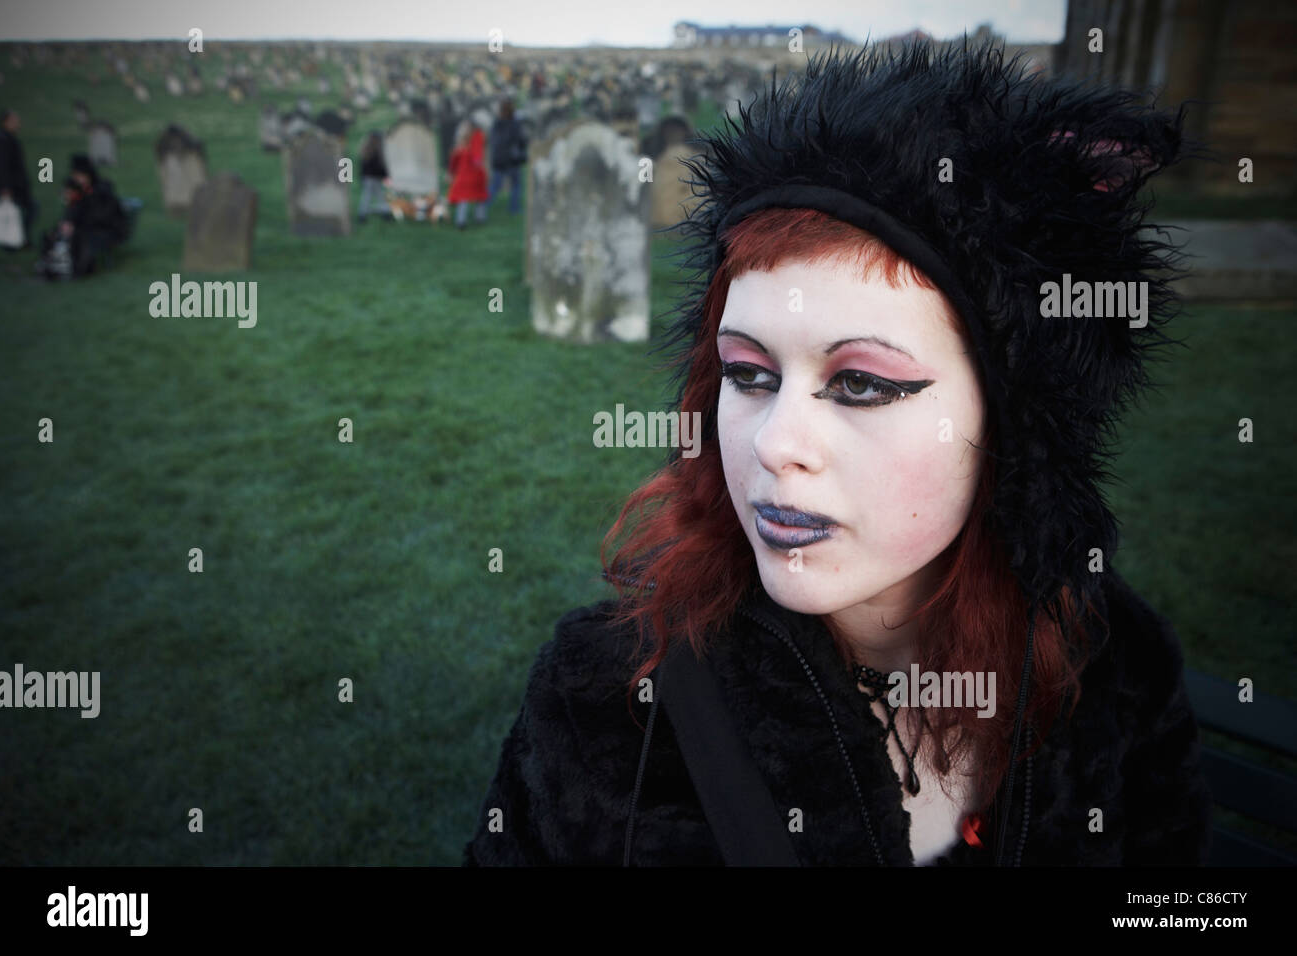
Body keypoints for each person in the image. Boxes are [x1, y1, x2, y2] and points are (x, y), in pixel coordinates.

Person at [462, 42, 1213, 866]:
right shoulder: (606, 702)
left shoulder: (1111, 669)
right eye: (748, 374)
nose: (777, 445)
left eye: (860, 384)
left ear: (1015, 425)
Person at [36, 153, 127, 279]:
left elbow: (102, 216)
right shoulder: (77, 191)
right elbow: (72, 213)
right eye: (75, 176)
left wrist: (76, 222)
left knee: (80, 237)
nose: (77, 179)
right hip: (86, 227)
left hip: (106, 229)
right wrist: (67, 221)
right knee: (52, 234)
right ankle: (50, 264)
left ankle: (75, 268)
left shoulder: (101, 190)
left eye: (79, 176)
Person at [0, 108, 36, 249]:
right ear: (6, 122)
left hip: (17, 186)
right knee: (27, 210)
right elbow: (2, 166)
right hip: (12, 187)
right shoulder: (3, 140)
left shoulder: (9, 139)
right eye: (14, 120)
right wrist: (5, 188)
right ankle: (15, 242)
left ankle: (18, 241)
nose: (18, 123)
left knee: (26, 210)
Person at [486, 99, 527, 216]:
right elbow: (521, 140)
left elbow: (492, 140)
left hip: (498, 159)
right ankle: (514, 209)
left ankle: (483, 206)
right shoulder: (515, 123)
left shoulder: (496, 123)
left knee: (495, 186)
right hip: (512, 160)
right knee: (516, 185)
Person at [446, 119, 488, 229]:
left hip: (464, 178)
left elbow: (453, 164)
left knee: (463, 200)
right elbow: (478, 159)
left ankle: (461, 221)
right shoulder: (477, 141)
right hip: (477, 177)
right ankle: (480, 218)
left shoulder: (459, 149)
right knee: (480, 198)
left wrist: (450, 174)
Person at [356, 130, 390, 224]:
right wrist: (386, 175)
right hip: (374, 178)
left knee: (367, 196)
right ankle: (385, 213)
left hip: (368, 178)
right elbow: (380, 167)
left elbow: (363, 168)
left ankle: (362, 215)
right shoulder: (377, 152)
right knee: (379, 196)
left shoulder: (366, 151)